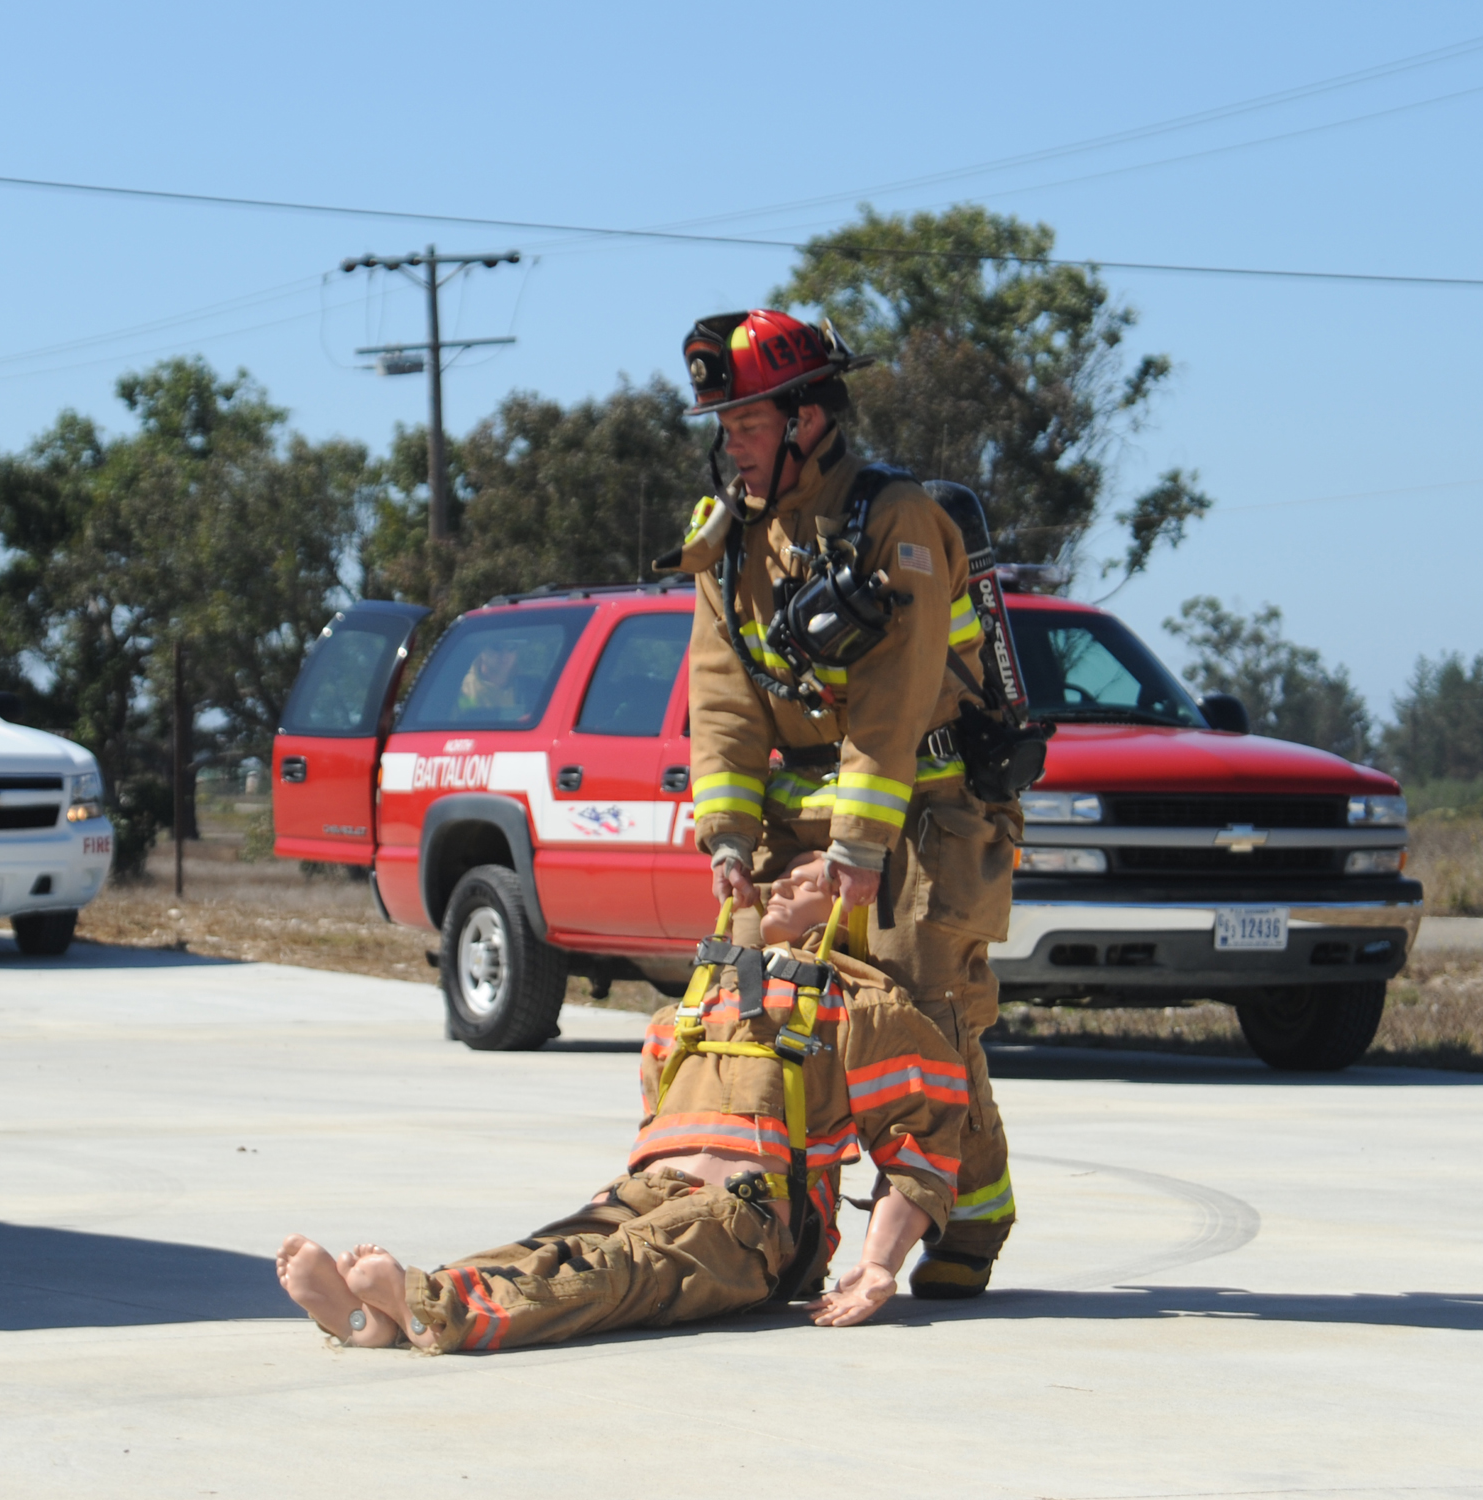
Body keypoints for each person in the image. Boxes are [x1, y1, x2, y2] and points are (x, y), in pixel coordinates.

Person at [661, 308, 1019, 1298]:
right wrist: (728, 831)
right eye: (724, 421)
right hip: (795, 831)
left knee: (922, 1022)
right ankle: (788, 1229)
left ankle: (967, 1222)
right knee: (764, 1015)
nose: (730, 437)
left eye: (749, 419)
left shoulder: (895, 520)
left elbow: (896, 701)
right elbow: (721, 692)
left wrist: (859, 846)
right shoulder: (729, 534)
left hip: (922, 822)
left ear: (809, 418)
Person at [276, 854, 971, 1352]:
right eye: (778, 870)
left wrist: (879, 1265)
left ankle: (435, 1309)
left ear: (855, 904)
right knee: (555, 1247)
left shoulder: (865, 1011)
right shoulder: (689, 1011)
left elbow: (919, 1151)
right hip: (651, 1189)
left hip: (751, 1227)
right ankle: (384, 1320)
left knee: (617, 1269)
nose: (783, 878)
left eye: (811, 873)